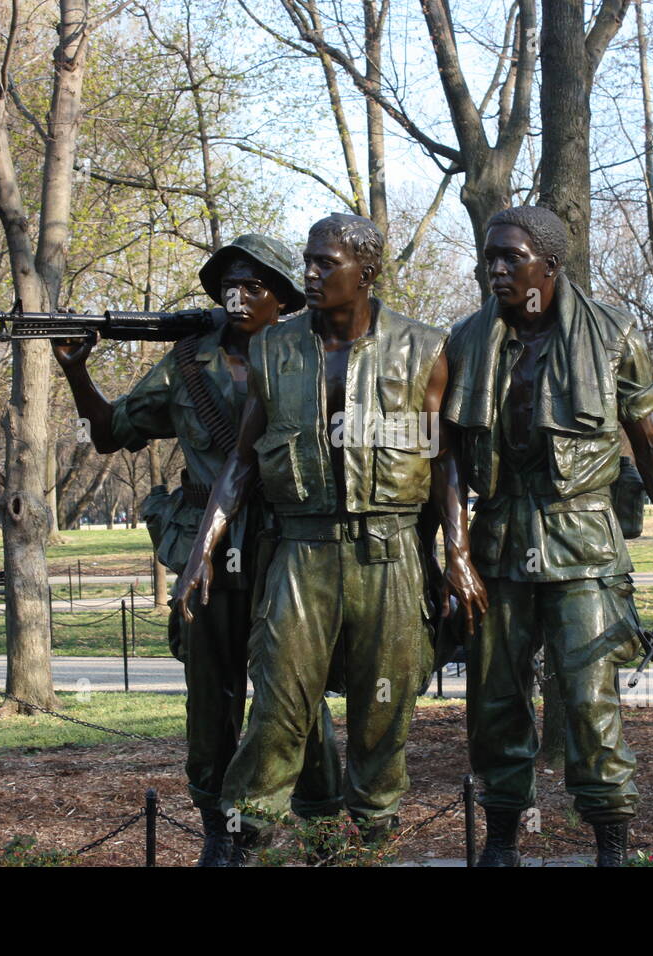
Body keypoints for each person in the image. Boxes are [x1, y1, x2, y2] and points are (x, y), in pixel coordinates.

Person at [175, 213, 486, 859]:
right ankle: (245, 840)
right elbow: (242, 460)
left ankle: (370, 843)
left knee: (383, 718)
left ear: (365, 272)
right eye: (308, 263)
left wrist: (456, 554)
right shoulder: (274, 349)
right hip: (301, 552)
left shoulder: (423, 346)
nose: (310, 275)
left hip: (391, 551)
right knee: (279, 709)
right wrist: (203, 548)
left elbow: (444, 460)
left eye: (325, 264)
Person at [52, 234, 341, 866]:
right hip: (206, 550)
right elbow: (108, 432)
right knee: (211, 692)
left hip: (286, 542)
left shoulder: (310, 355)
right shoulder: (187, 364)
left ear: (283, 298)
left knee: (295, 687)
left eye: (254, 286)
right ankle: (218, 828)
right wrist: (77, 370)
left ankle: (322, 823)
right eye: (228, 286)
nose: (238, 297)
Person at [443, 206, 653, 866]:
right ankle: (501, 843)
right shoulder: (465, 340)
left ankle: (610, 849)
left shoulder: (614, 334)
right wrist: (453, 553)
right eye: (490, 257)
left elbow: (651, 448)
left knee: (594, 707)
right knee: (496, 704)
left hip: (584, 544)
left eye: (511, 257)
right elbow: (445, 454)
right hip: (499, 543)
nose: (497, 268)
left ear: (550, 265)